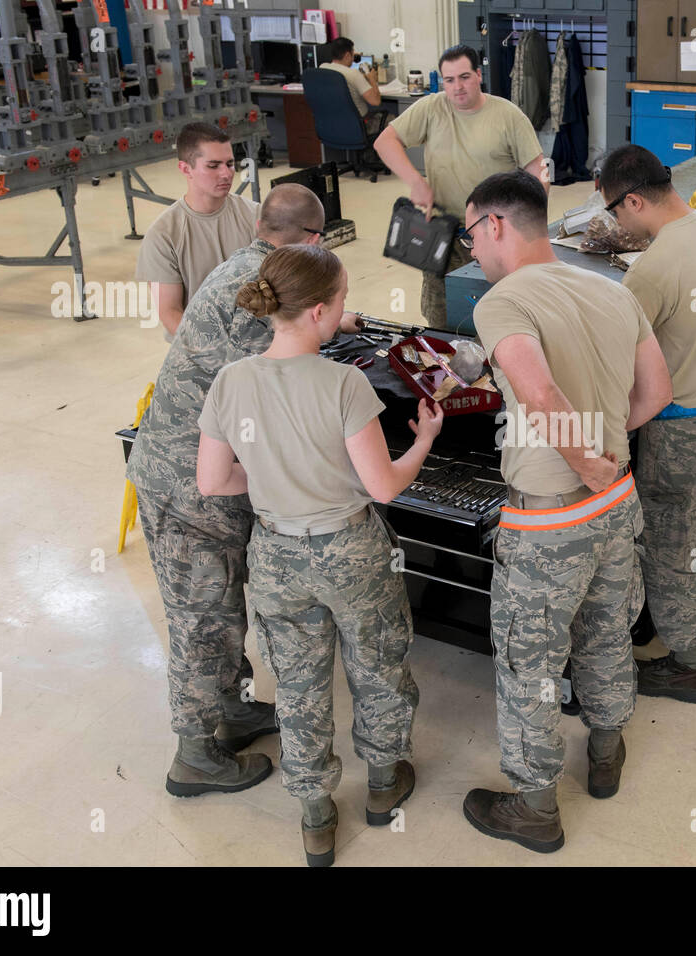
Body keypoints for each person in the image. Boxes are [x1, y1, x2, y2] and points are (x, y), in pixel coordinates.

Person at [197, 243, 442, 867]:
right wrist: (425, 441)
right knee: (377, 664)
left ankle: (314, 817)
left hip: (277, 552)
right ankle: (384, 785)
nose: (344, 311)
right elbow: (384, 486)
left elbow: (214, 481)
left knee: (300, 683)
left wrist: (281, 476)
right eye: (341, 302)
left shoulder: (232, 380)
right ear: (317, 312)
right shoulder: (343, 382)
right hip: (351, 551)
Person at [127, 183, 364, 800]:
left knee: (222, 608)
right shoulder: (253, 296)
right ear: (313, 242)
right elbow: (288, 373)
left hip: (196, 473)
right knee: (203, 619)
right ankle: (195, 756)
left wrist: (332, 318)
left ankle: (228, 711)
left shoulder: (246, 270)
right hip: (189, 485)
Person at [460, 170, 672, 853]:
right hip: (618, 502)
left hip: (551, 518)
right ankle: (605, 753)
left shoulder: (502, 302)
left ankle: (534, 806)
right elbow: (658, 391)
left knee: (531, 662)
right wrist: (607, 456)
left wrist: (580, 464)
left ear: (495, 224)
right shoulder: (611, 289)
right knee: (609, 629)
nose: (473, 246)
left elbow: (540, 392)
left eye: (470, 232)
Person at [599, 145, 696, 702]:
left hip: (682, 429)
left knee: (670, 546)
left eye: (616, 214)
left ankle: (686, 663)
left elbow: (616, 360)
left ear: (635, 200)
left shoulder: (655, 268)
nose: (617, 226)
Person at [374, 45, 548, 327]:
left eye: (465, 77)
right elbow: (385, 141)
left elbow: (538, 174)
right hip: (443, 232)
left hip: (494, 236)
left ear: (479, 75)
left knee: (498, 315)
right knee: (440, 318)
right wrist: (416, 182)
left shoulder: (508, 116)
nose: (457, 87)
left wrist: (530, 230)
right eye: (449, 80)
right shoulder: (432, 107)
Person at [135, 122, 260, 338]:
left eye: (230, 164)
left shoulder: (254, 216)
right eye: (213, 166)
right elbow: (169, 311)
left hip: (256, 342)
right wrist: (214, 352)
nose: (226, 174)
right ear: (185, 169)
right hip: (198, 349)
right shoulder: (164, 235)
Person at [319, 36, 386, 139]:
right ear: (347, 55)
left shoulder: (323, 68)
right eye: (352, 53)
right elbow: (375, 101)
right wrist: (372, 79)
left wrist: (363, 78)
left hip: (331, 125)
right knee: (390, 120)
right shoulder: (354, 74)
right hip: (358, 126)